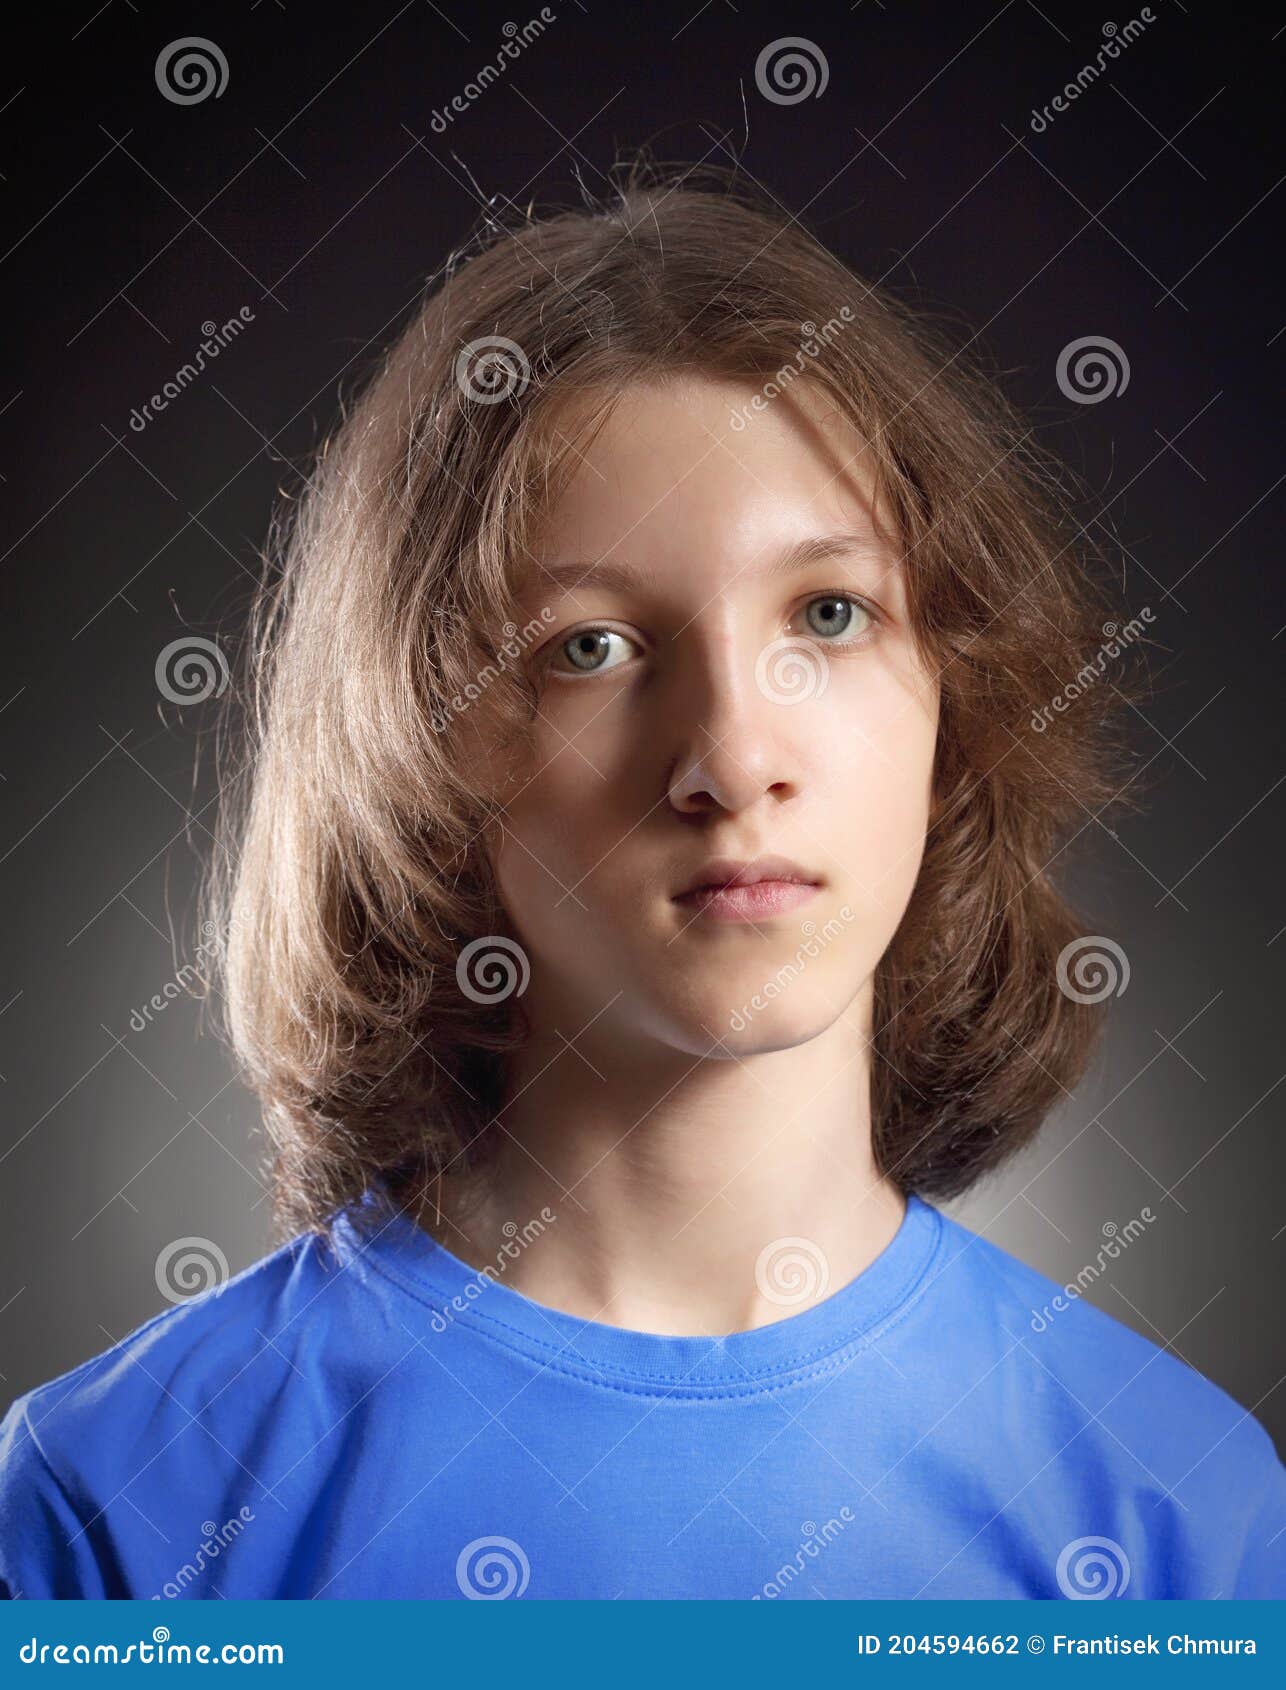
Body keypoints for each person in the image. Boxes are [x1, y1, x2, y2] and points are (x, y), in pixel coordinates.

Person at [1, 165, 1281, 1601]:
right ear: (424, 751)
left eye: (830, 613)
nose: (731, 759)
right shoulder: (112, 1505)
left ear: (953, 703)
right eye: (591, 646)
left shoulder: (1186, 1516)